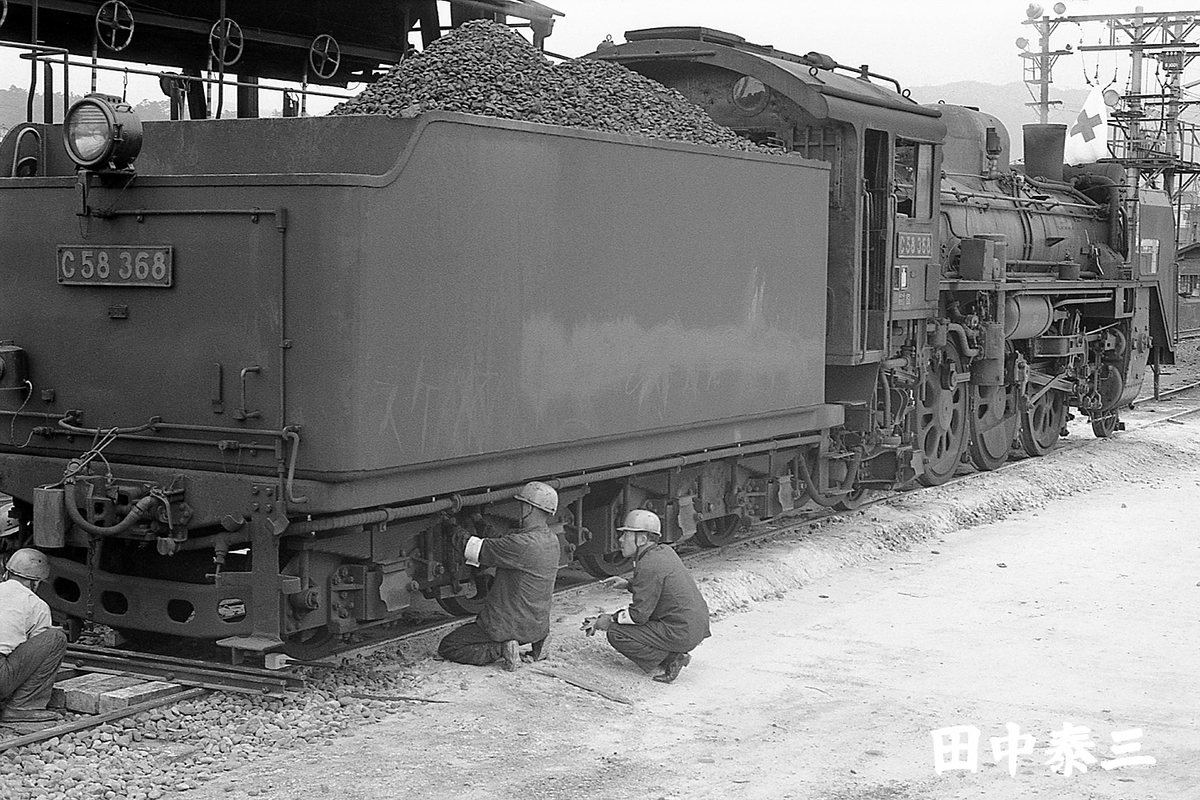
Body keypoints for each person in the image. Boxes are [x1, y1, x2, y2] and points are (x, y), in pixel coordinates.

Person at [437, 481, 561, 671]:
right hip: (537, 625)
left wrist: (450, 527)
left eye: (522, 505)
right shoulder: (551, 540)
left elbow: (475, 549)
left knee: (449, 646)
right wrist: (478, 521)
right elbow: (503, 544)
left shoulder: (522, 544)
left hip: (507, 626)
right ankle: (538, 643)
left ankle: (501, 648)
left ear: (528, 507)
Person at [582, 509, 710, 683]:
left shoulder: (647, 565)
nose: (620, 540)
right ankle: (672, 655)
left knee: (617, 633)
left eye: (625, 535)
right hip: (695, 625)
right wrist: (628, 584)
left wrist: (606, 620)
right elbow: (657, 586)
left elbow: (638, 616)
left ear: (642, 539)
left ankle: (672, 659)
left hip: (681, 631)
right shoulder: (663, 551)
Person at [0, 548, 67, 724]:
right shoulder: (37, 605)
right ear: (36, 583)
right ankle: (22, 707)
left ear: (6, 572)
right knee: (56, 639)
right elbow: (37, 655)